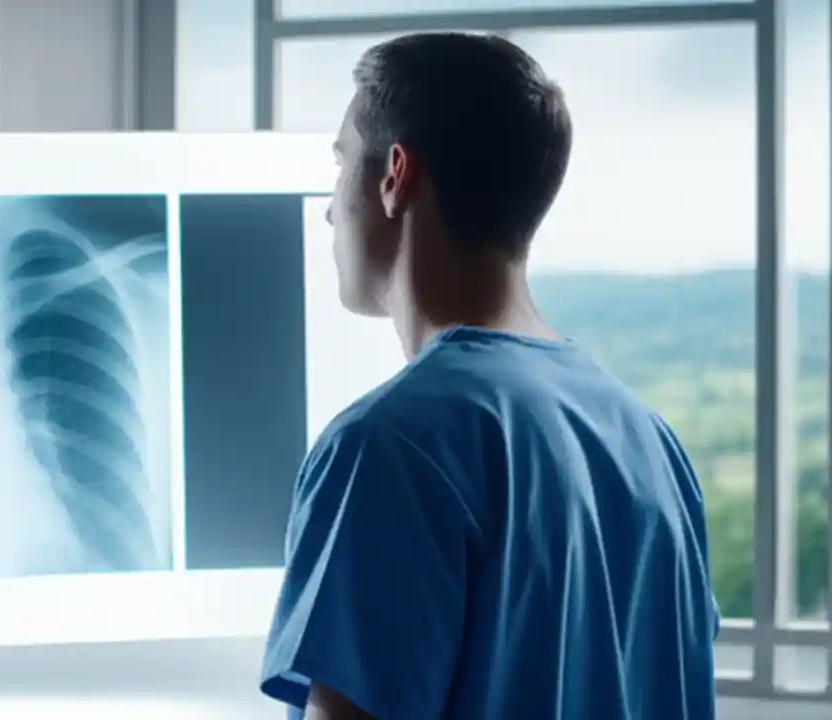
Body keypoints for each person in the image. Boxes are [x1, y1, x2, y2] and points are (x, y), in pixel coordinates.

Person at [258, 32, 720, 719]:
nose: (329, 209)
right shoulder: (650, 442)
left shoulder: (389, 449)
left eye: (340, 163)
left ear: (395, 176)